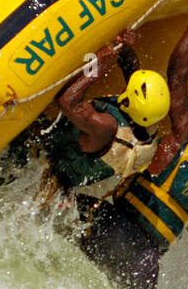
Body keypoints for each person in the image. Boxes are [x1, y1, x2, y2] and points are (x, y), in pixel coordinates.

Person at [74, 0, 188, 289]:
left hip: (115, 228)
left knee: (66, 206)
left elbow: (175, 75)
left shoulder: (182, 141)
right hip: (145, 268)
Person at [38, 29, 169, 197]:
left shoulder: (106, 127)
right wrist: (125, 45)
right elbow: (132, 69)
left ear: (128, 101)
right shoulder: (146, 116)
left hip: (51, 172)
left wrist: (99, 65)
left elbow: (67, 101)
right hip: (74, 160)